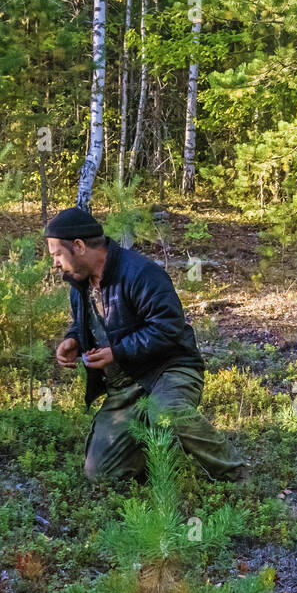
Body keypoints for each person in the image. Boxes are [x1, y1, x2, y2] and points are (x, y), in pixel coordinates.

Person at [45, 207, 247, 484]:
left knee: (166, 412)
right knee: (101, 474)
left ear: (78, 246)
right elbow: (90, 324)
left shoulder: (141, 273)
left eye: (57, 254)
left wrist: (118, 351)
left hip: (170, 369)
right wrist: (74, 339)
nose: (55, 263)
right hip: (125, 384)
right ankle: (157, 444)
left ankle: (233, 471)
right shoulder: (78, 283)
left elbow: (168, 328)